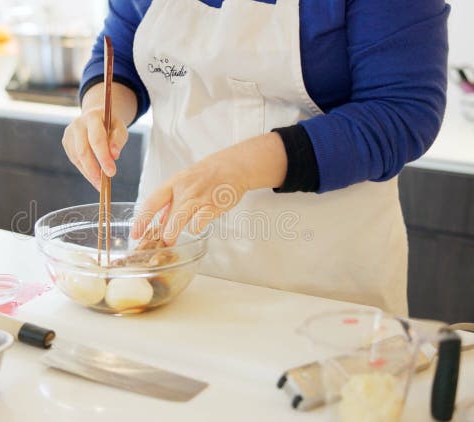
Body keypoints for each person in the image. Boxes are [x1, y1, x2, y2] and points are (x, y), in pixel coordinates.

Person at [62, 0, 450, 315]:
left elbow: (401, 112)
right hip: (171, 271)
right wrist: (102, 108)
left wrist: (242, 166)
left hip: (322, 282)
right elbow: (121, 54)